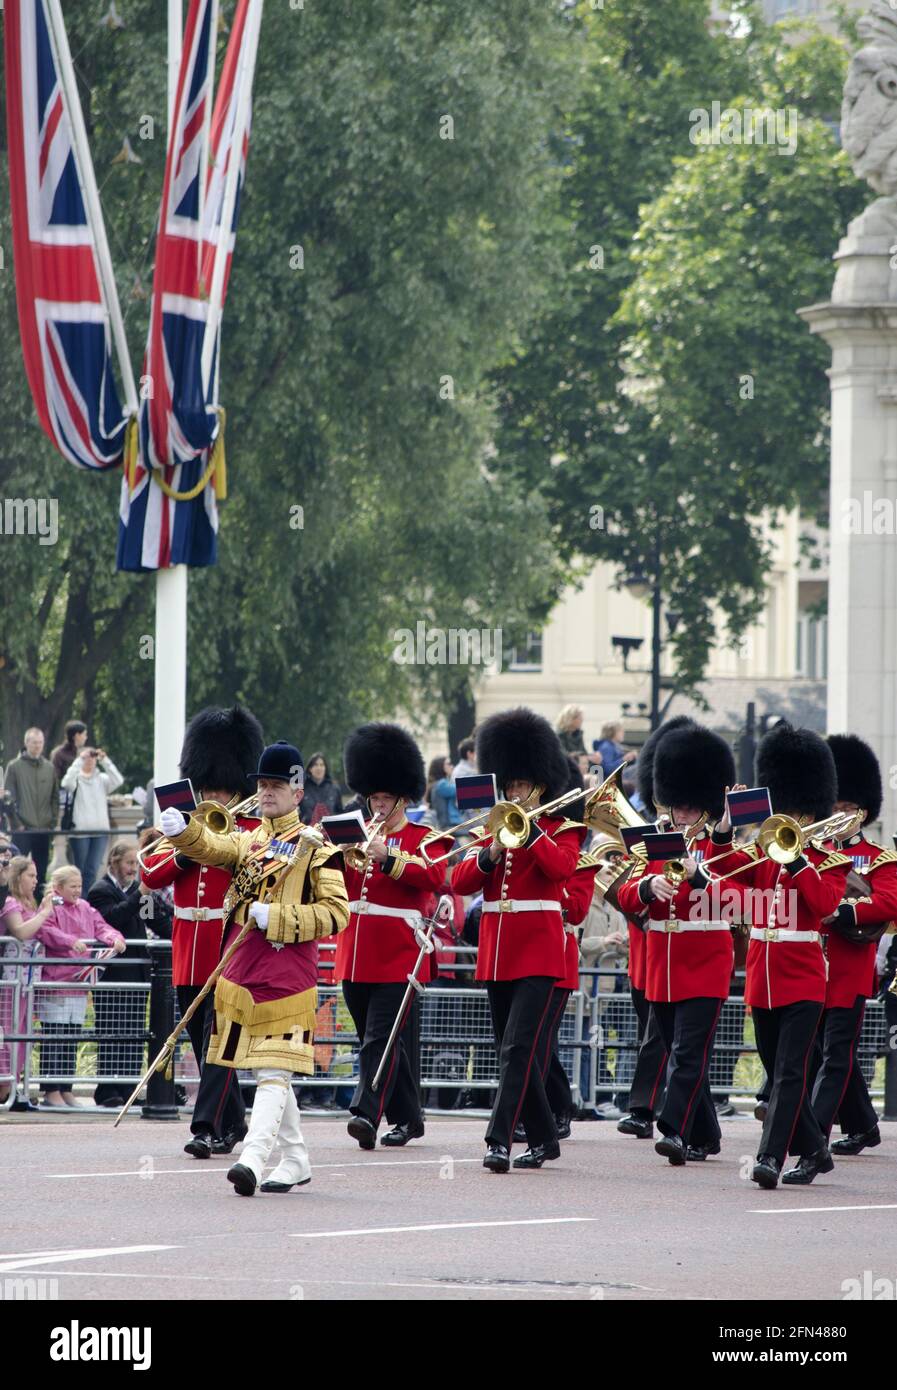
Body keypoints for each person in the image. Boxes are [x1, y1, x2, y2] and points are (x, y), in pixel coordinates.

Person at [160, 740, 349, 1196]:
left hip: (287, 973)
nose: (266, 792)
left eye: (276, 786)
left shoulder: (316, 848)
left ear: (298, 791)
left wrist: (279, 919)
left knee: (272, 1072)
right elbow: (215, 847)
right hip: (241, 971)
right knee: (270, 1070)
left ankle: (253, 1157)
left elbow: (336, 913)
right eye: (263, 785)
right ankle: (297, 1157)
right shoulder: (251, 841)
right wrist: (184, 830)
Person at [719, 724, 850, 1190]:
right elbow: (720, 868)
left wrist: (798, 861)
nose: (789, 818)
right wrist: (724, 827)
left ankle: (770, 1157)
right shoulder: (764, 847)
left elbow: (823, 905)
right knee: (779, 1073)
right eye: (785, 808)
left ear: (811, 808)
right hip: (762, 973)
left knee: (789, 1075)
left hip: (804, 976)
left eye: (796, 809)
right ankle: (815, 1150)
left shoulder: (829, 857)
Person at [452, 707, 582, 1172]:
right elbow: (461, 881)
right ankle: (545, 1139)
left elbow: (563, 870)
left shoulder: (563, 828)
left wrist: (527, 835)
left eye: (521, 787)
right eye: (509, 786)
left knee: (517, 1049)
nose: (513, 793)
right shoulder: (491, 826)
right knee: (509, 1048)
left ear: (540, 786)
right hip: (497, 950)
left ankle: (499, 1139)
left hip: (540, 949)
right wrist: (489, 853)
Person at [142, 705, 264, 1157]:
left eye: (223, 788)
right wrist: (185, 850)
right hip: (188, 946)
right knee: (201, 1037)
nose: (215, 795)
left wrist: (206, 843)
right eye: (208, 786)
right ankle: (234, 1125)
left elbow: (252, 865)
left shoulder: (251, 828)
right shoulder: (185, 825)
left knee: (219, 1038)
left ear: (238, 786)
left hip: (228, 945)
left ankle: (205, 1127)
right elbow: (150, 875)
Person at [616, 722, 738, 1166]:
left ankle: (673, 1130)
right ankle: (707, 1134)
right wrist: (648, 887)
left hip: (705, 961)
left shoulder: (723, 848)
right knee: (682, 1055)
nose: (683, 815)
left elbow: (735, 898)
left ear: (704, 807)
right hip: (662, 966)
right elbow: (626, 894)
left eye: (690, 809)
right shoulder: (655, 843)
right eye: (678, 807)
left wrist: (699, 871)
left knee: (686, 1054)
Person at [333, 722, 451, 1150]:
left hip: (400, 953)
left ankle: (366, 1111)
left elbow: (435, 876)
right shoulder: (355, 834)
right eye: (374, 798)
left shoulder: (424, 838)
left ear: (403, 798)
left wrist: (388, 858)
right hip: (356, 950)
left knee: (379, 1039)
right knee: (381, 1038)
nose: (379, 806)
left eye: (386, 799)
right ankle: (409, 1116)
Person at [809, 735, 897, 1163]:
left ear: (861, 812)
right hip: (812, 966)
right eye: (835, 807)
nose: (838, 816)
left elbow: (889, 901)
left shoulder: (878, 857)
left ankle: (814, 1137)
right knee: (828, 1050)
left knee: (835, 1053)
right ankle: (862, 1124)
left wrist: (846, 911)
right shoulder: (814, 854)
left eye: (846, 810)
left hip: (849, 967)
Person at [86, 840, 174, 1107]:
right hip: (113, 973)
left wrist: (181, 932)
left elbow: (152, 919)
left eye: (136, 864)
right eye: (128, 863)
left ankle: (128, 1087)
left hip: (137, 971)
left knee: (135, 1029)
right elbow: (113, 919)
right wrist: (140, 894)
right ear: (114, 862)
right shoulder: (101, 891)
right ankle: (108, 1087)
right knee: (112, 1028)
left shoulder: (138, 890)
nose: (133, 869)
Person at [34, 865, 126, 1108]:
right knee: (54, 1037)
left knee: (71, 1038)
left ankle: (66, 1088)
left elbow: (101, 926)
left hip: (78, 982)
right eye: (72, 886)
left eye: (79, 886)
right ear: (59, 888)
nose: (77, 890)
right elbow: (44, 930)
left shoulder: (85, 908)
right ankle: (50, 1089)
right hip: (56, 981)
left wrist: (115, 939)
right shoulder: (51, 907)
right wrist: (70, 941)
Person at [0, 854, 54, 1109]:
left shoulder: (30, 904)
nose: (35, 881)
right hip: (12, 982)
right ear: (17, 876)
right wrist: (44, 913)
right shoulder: (10, 902)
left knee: (24, 1036)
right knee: (9, 1034)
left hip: (28, 982)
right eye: (30, 876)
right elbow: (20, 931)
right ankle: (6, 1087)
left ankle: (16, 1086)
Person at [61, 744, 124, 891]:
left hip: (100, 831)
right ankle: (77, 902)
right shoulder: (76, 779)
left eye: (92, 757)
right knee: (79, 871)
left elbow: (118, 780)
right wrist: (79, 760)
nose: (89, 760)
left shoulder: (101, 779)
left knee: (92, 870)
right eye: (86, 757)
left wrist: (105, 760)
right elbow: (65, 782)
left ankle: (87, 903)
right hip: (80, 832)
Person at [4, 728, 58, 891]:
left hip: (43, 827)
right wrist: (16, 823)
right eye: (34, 742)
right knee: (15, 870)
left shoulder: (49, 767)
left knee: (41, 872)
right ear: (26, 743)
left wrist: (52, 821)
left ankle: (40, 905)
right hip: (22, 828)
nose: (37, 746)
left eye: (40, 742)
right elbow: (7, 797)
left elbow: (55, 797)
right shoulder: (14, 766)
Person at [301, 754, 343, 824]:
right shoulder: (302, 789)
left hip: (331, 832)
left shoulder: (334, 789)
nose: (319, 768)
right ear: (310, 769)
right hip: (306, 832)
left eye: (322, 765)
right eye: (315, 765)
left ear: (325, 768)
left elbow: (340, 814)